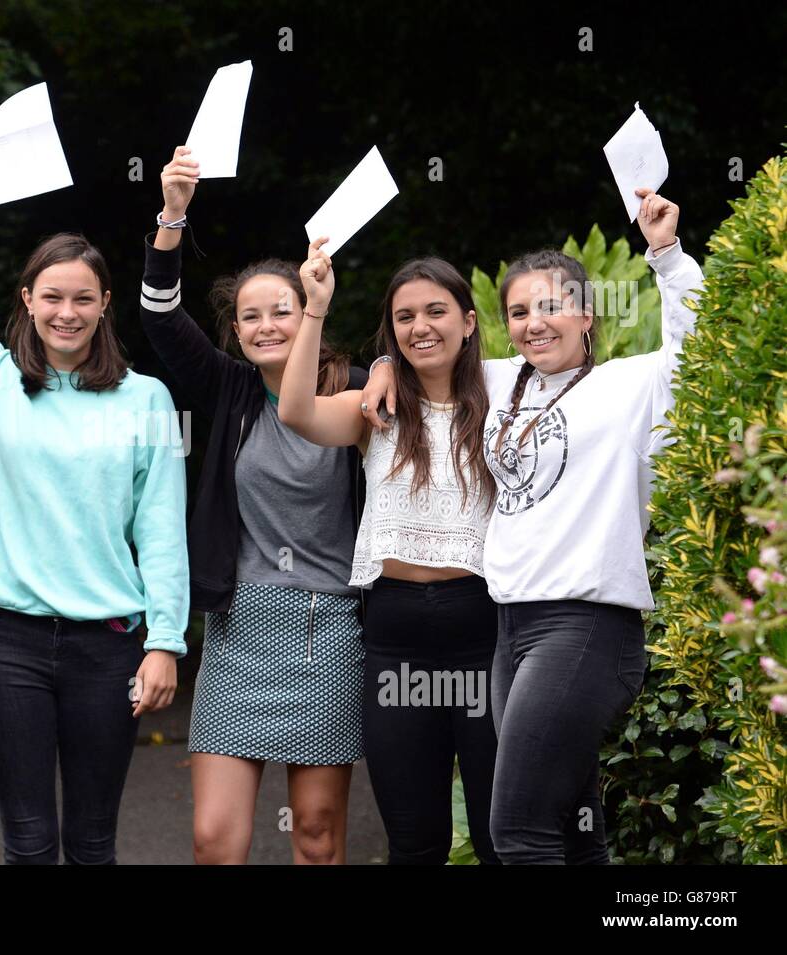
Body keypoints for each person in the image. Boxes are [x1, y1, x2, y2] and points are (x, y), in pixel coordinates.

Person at [361, 187, 702, 863]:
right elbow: (425, 351)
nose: (532, 323)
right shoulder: (498, 383)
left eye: (549, 307)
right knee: (576, 831)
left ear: (586, 313)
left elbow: (695, 340)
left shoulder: (633, 386)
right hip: (509, 628)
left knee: (515, 831)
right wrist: (378, 365)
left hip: (584, 627)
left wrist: (665, 253)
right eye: (518, 311)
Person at [0, 154, 189, 865]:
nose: (67, 312)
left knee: (91, 841)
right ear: (25, 298)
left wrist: (165, 640)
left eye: (83, 298)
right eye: (52, 296)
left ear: (106, 303)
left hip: (108, 642)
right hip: (8, 643)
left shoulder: (144, 398)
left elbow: (161, 527)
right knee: (26, 840)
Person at [140, 146, 367, 864]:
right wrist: (173, 216)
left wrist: (389, 364)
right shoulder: (232, 390)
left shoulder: (362, 388)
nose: (267, 325)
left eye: (282, 310)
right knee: (215, 839)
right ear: (234, 332)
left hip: (327, 629)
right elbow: (159, 316)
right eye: (250, 317)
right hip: (238, 630)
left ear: (311, 310)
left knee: (318, 838)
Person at [278, 243, 500, 865]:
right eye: (405, 318)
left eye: (436, 312)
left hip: (486, 637)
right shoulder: (376, 410)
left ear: (469, 320)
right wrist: (315, 310)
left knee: (495, 837)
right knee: (414, 839)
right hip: (395, 638)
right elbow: (294, 411)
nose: (420, 327)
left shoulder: (506, 398)